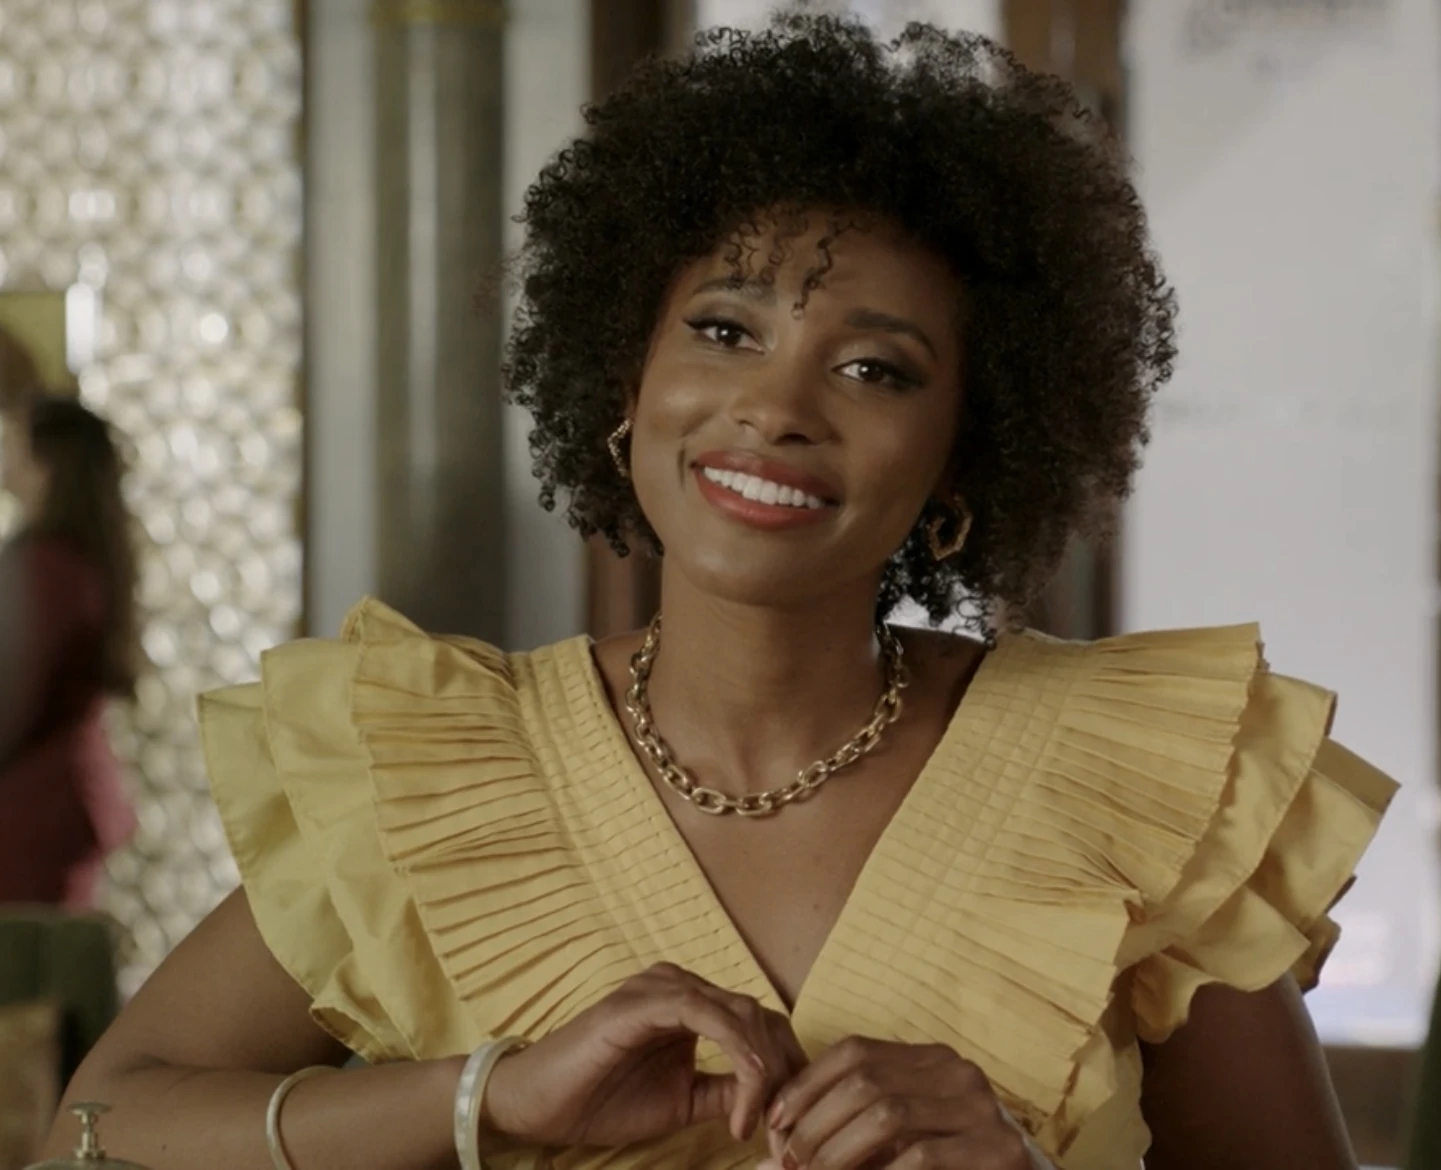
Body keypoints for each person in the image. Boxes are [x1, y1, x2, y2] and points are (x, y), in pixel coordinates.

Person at [46, 14, 1395, 1170]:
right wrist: (485, 1098)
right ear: (624, 383)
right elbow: (95, 1130)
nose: (775, 407)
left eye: (874, 368)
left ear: (963, 453)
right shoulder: (430, 772)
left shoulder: (1142, 783)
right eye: (723, 329)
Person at [0, 393, 139, 908]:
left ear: (45, 465)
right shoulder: (77, 558)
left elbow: (13, 694)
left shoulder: (47, 567)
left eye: (15, 446)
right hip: (55, 800)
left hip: (31, 809)